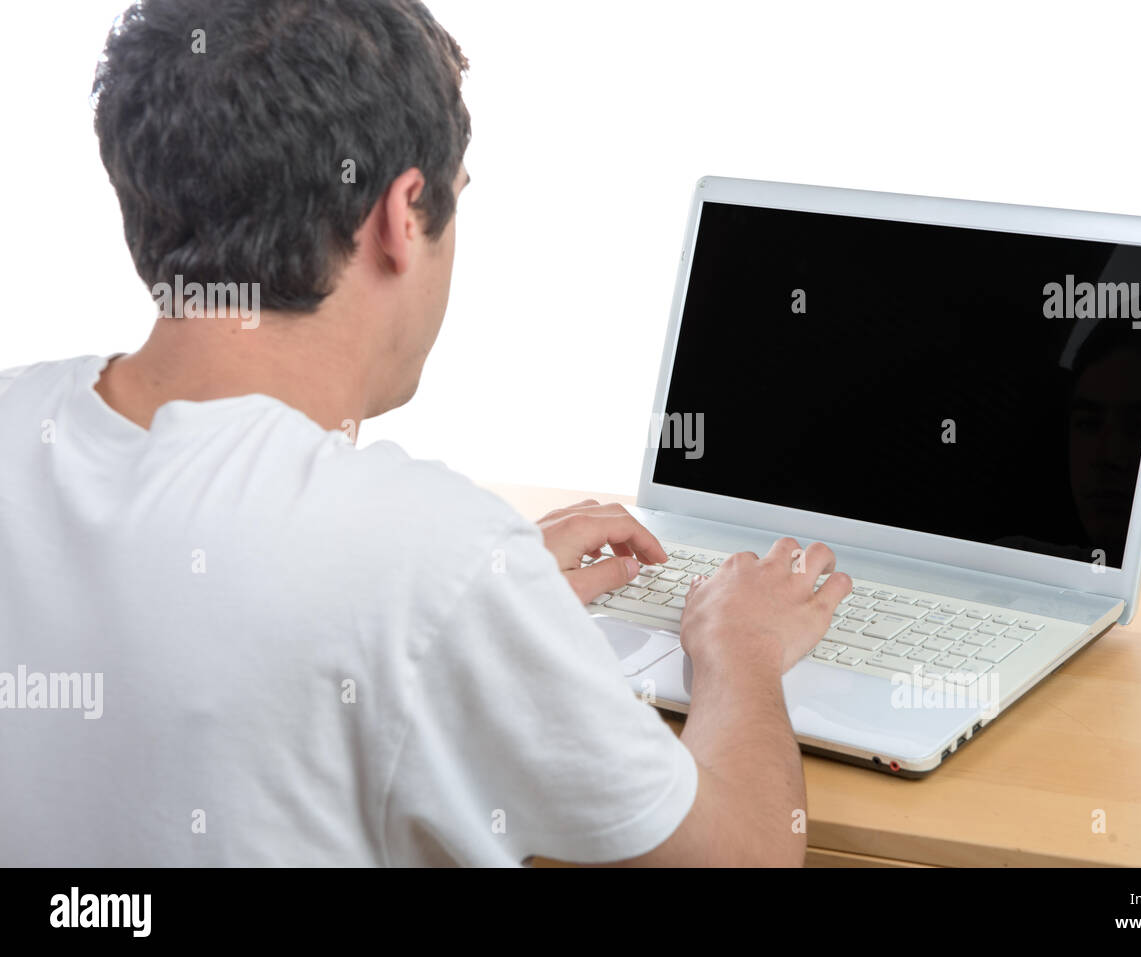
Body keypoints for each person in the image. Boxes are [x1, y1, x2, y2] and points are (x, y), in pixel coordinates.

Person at [0, 0, 850, 866]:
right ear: (403, 215)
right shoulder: (420, 558)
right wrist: (740, 648)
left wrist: (489, 601)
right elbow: (743, 855)